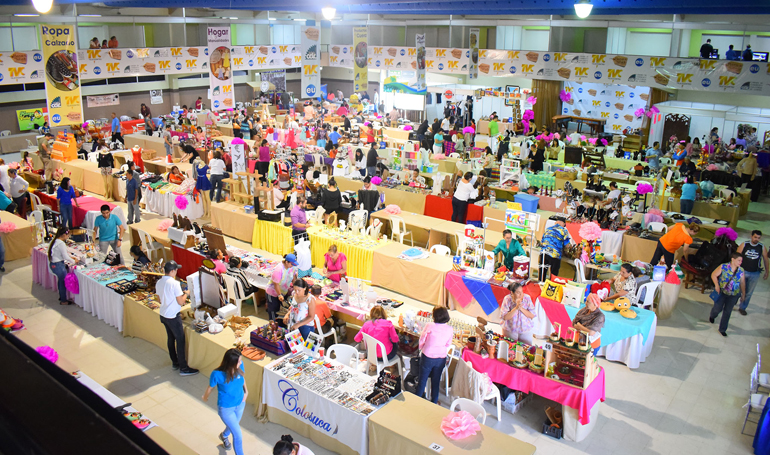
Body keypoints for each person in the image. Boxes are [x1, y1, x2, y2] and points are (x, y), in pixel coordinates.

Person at [202, 349, 247, 455]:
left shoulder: (240, 366)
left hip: (240, 403)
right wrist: (205, 397)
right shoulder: (217, 374)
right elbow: (210, 387)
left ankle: (224, 435)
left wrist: (246, 391)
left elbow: (242, 378)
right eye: (239, 361)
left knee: (234, 424)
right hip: (226, 408)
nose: (241, 363)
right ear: (231, 363)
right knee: (238, 435)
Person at [157, 261, 198, 375]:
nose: (176, 272)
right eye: (176, 270)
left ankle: (175, 363)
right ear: (172, 271)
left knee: (171, 339)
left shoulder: (159, 282)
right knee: (180, 341)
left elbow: (159, 300)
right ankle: (184, 368)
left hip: (163, 314)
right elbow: (180, 302)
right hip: (173, 317)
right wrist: (187, 293)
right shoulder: (174, 283)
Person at [416, 306, 453, 404]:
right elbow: (448, 344)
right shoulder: (450, 329)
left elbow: (422, 339)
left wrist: (422, 348)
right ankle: (434, 402)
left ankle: (415, 402)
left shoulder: (429, 325)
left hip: (427, 356)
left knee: (422, 380)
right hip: (441, 358)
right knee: (435, 382)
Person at [710, 253, 746, 337]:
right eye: (739, 260)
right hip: (722, 293)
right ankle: (713, 315)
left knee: (727, 312)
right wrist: (716, 285)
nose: (740, 262)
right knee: (717, 308)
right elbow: (714, 275)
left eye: (741, 261)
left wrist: (743, 294)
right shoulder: (723, 267)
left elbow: (742, 283)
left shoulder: (741, 270)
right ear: (733, 259)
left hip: (733, 295)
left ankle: (722, 329)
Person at [737, 230, 768, 316]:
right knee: (738, 290)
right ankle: (732, 303)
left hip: (754, 273)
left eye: (758, 238)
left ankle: (742, 307)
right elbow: (736, 256)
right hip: (743, 271)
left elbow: (765, 260)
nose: (756, 239)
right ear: (751, 236)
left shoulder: (761, 247)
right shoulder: (744, 244)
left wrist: (767, 271)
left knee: (749, 292)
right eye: (755, 237)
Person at [48, 227, 76, 305]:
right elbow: (65, 257)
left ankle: (62, 296)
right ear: (64, 235)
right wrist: (74, 261)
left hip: (53, 264)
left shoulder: (54, 241)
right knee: (63, 282)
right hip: (58, 265)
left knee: (61, 281)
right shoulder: (61, 244)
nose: (68, 237)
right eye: (68, 236)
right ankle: (63, 300)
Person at [266, 254, 298, 321]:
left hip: (284, 291)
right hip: (273, 292)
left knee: (280, 309)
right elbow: (276, 284)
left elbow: (294, 278)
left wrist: (296, 288)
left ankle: (278, 323)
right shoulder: (279, 269)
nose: (292, 266)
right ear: (286, 262)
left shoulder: (292, 267)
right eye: (291, 264)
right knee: (273, 309)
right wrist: (279, 294)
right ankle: (272, 323)